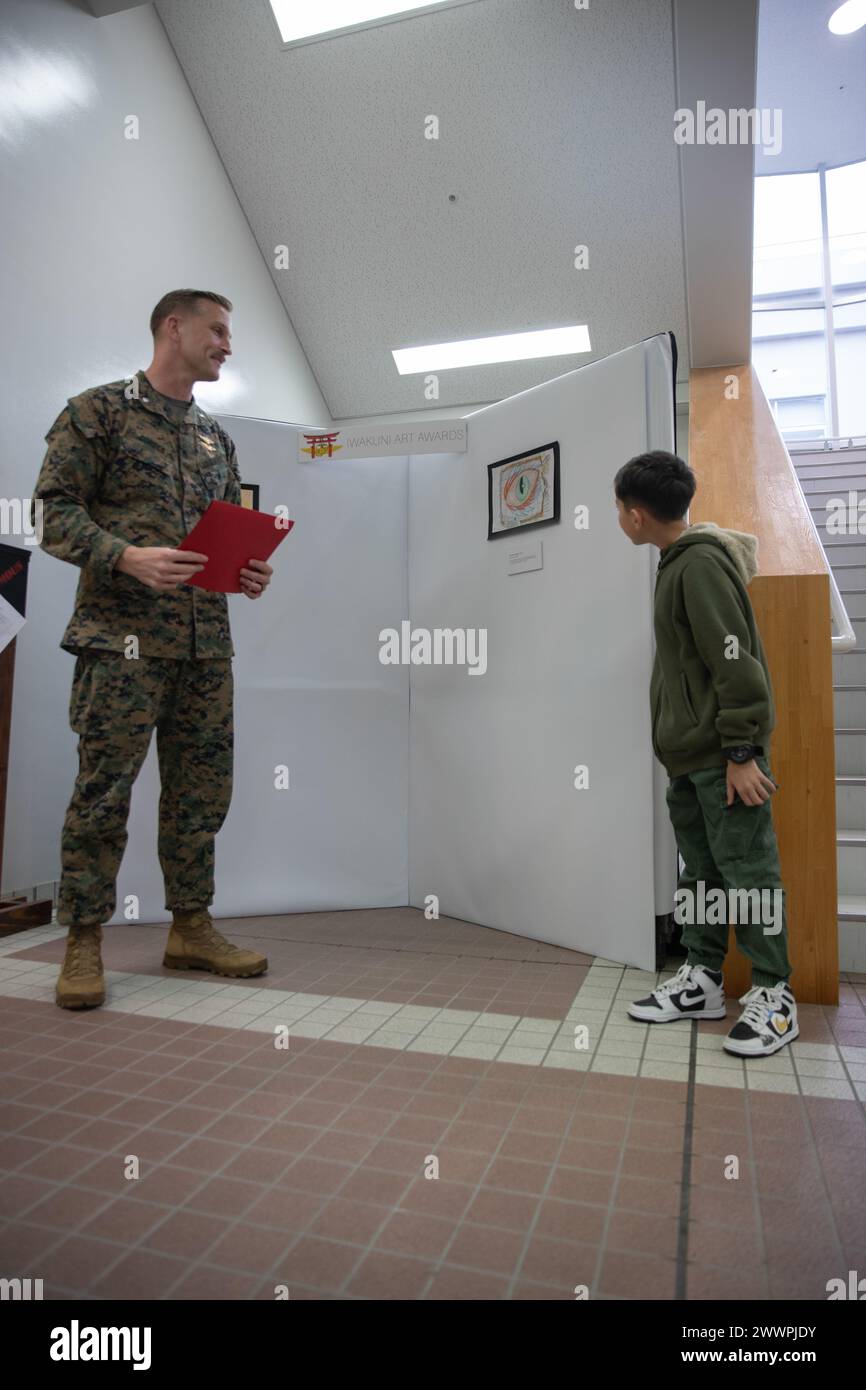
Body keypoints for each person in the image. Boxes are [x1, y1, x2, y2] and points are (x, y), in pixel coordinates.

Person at [33, 289, 274, 1010]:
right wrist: (125, 556)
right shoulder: (97, 412)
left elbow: (226, 528)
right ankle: (83, 939)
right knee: (104, 792)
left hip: (204, 646)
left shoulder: (215, 439)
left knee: (201, 794)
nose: (227, 344)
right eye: (217, 330)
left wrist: (248, 571)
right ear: (174, 327)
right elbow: (51, 513)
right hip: (122, 641)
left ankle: (191, 928)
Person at [614, 450, 798, 1056]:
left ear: (635, 515)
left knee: (749, 874)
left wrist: (742, 751)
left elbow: (736, 661)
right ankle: (703, 980)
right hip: (692, 759)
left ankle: (775, 995)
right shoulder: (677, 563)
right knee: (702, 873)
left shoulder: (697, 567)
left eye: (619, 508)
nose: (620, 517)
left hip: (725, 758)